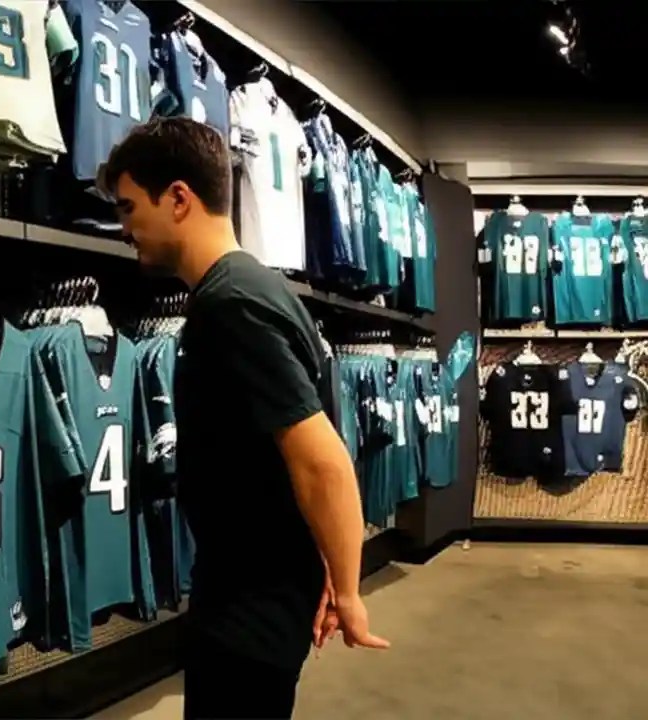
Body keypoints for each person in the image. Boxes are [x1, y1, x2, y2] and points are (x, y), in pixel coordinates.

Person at [100, 117, 390, 719]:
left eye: (129, 208)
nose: (125, 226)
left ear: (179, 198)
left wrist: (349, 590)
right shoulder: (258, 288)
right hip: (254, 593)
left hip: (249, 609)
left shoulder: (232, 305)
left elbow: (322, 461)